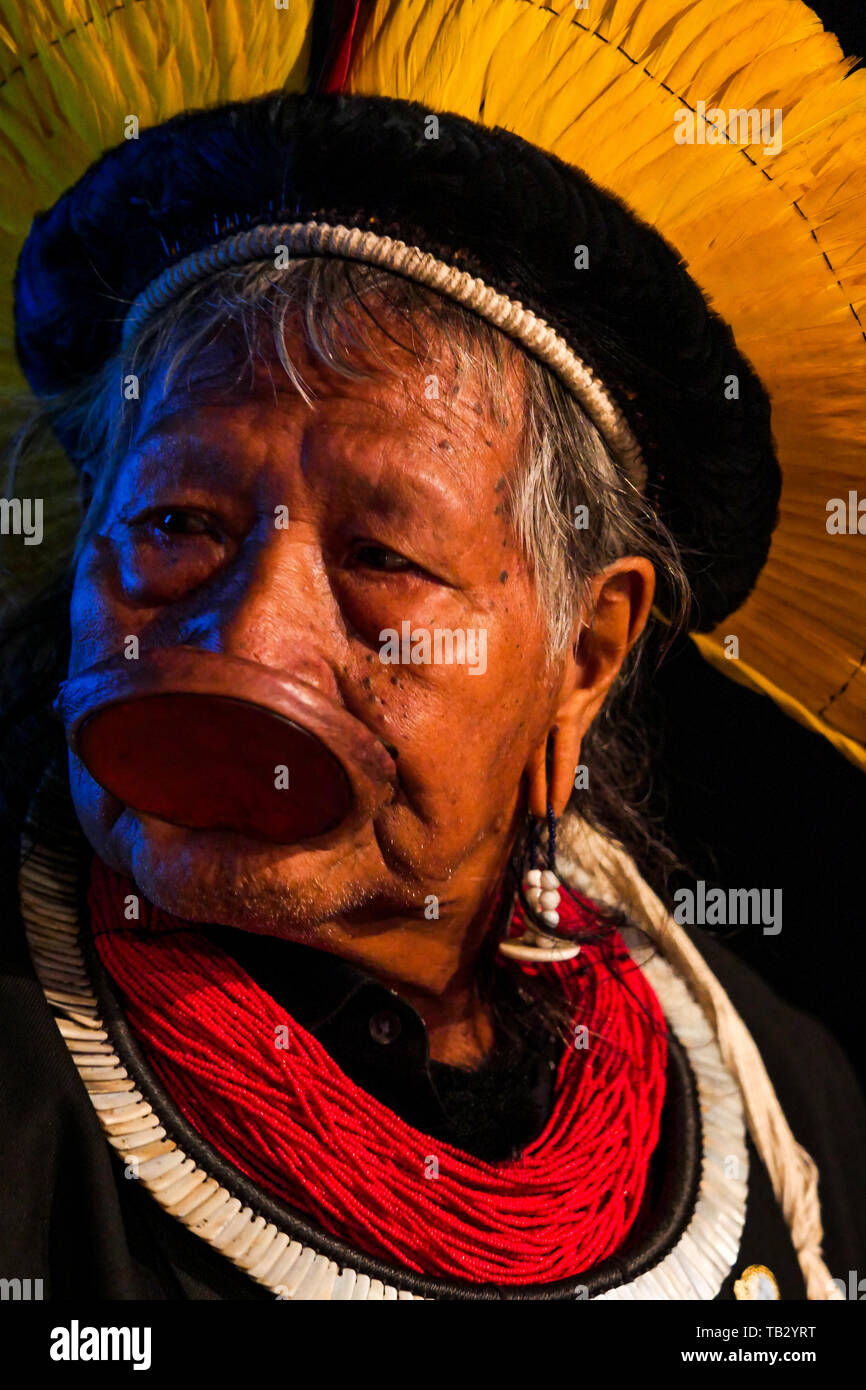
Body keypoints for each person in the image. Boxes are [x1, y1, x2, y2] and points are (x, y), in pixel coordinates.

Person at [1, 0, 864, 1302]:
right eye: (177, 522)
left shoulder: (782, 1098)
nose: (249, 635)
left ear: (584, 651)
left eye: (382, 556)